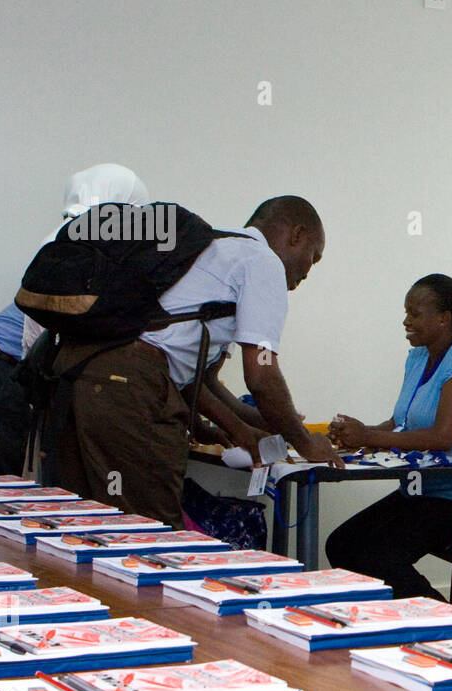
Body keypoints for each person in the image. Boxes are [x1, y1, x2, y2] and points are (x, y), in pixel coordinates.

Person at [48, 195, 342, 528]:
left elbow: (179, 373)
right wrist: (305, 442)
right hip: (129, 387)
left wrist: (242, 429)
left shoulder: (209, 247)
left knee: (91, 528)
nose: (307, 272)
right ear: (297, 235)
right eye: (313, 257)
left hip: (82, 376)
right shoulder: (262, 262)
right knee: (151, 536)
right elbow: (261, 375)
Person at [0, 163, 149, 475]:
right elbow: (42, 332)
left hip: (2, 365)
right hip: (1, 367)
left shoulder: (78, 241)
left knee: (5, 488)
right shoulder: (68, 243)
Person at [324, 274, 452, 600]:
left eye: (415, 314)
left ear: (444, 318)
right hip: (426, 488)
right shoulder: (417, 356)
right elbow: (400, 422)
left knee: (378, 556)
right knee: (342, 545)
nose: (406, 321)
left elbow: (444, 437)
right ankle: (389, 630)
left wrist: (370, 437)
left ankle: (448, 627)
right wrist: (359, 435)